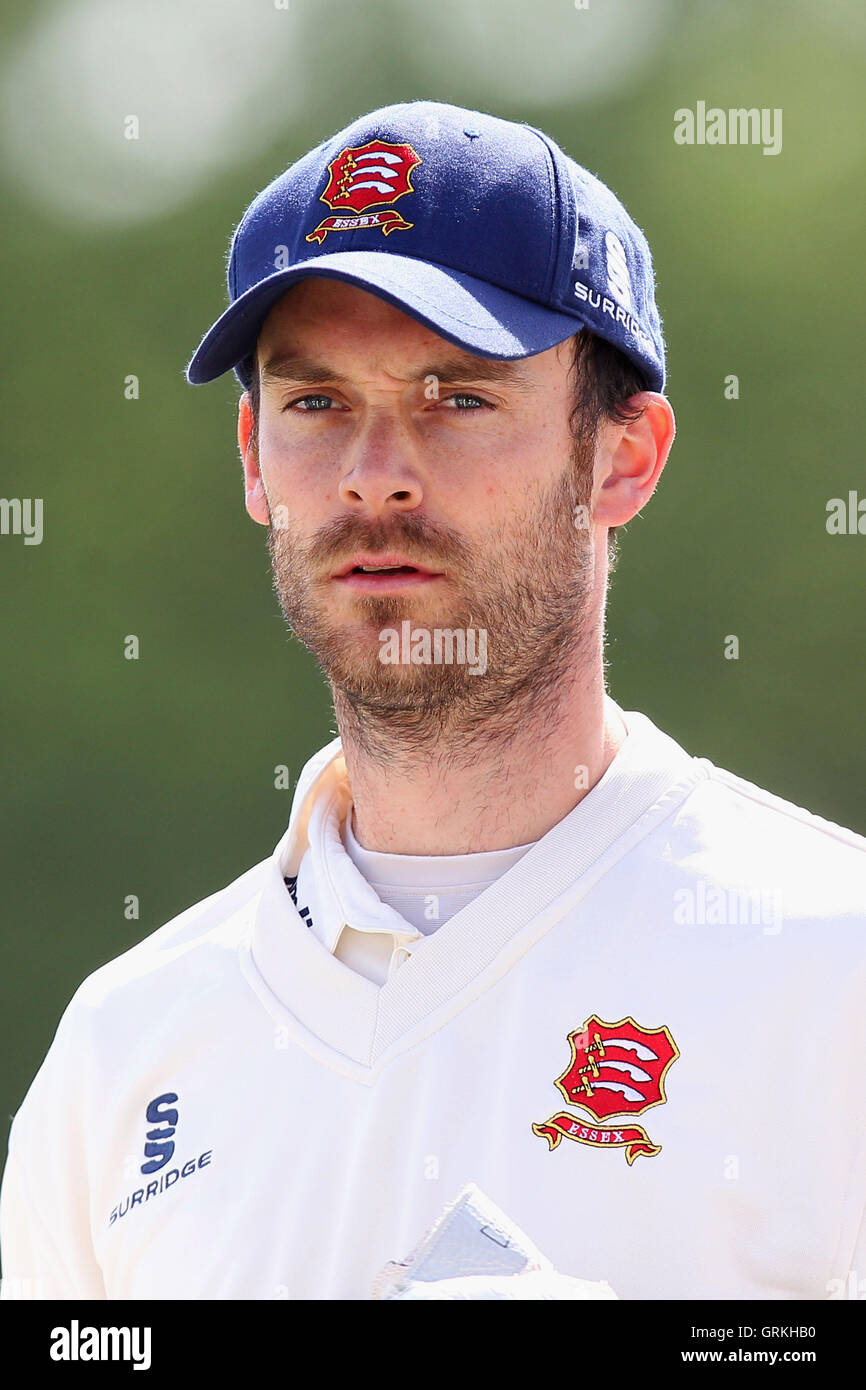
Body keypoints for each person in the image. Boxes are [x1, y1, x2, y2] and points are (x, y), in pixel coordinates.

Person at [1, 100, 863, 1302]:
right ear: (252, 458)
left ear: (621, 457)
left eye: (456, 398)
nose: (374, 477)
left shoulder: (834, 968)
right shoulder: (124, 1048)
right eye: (316, 403)